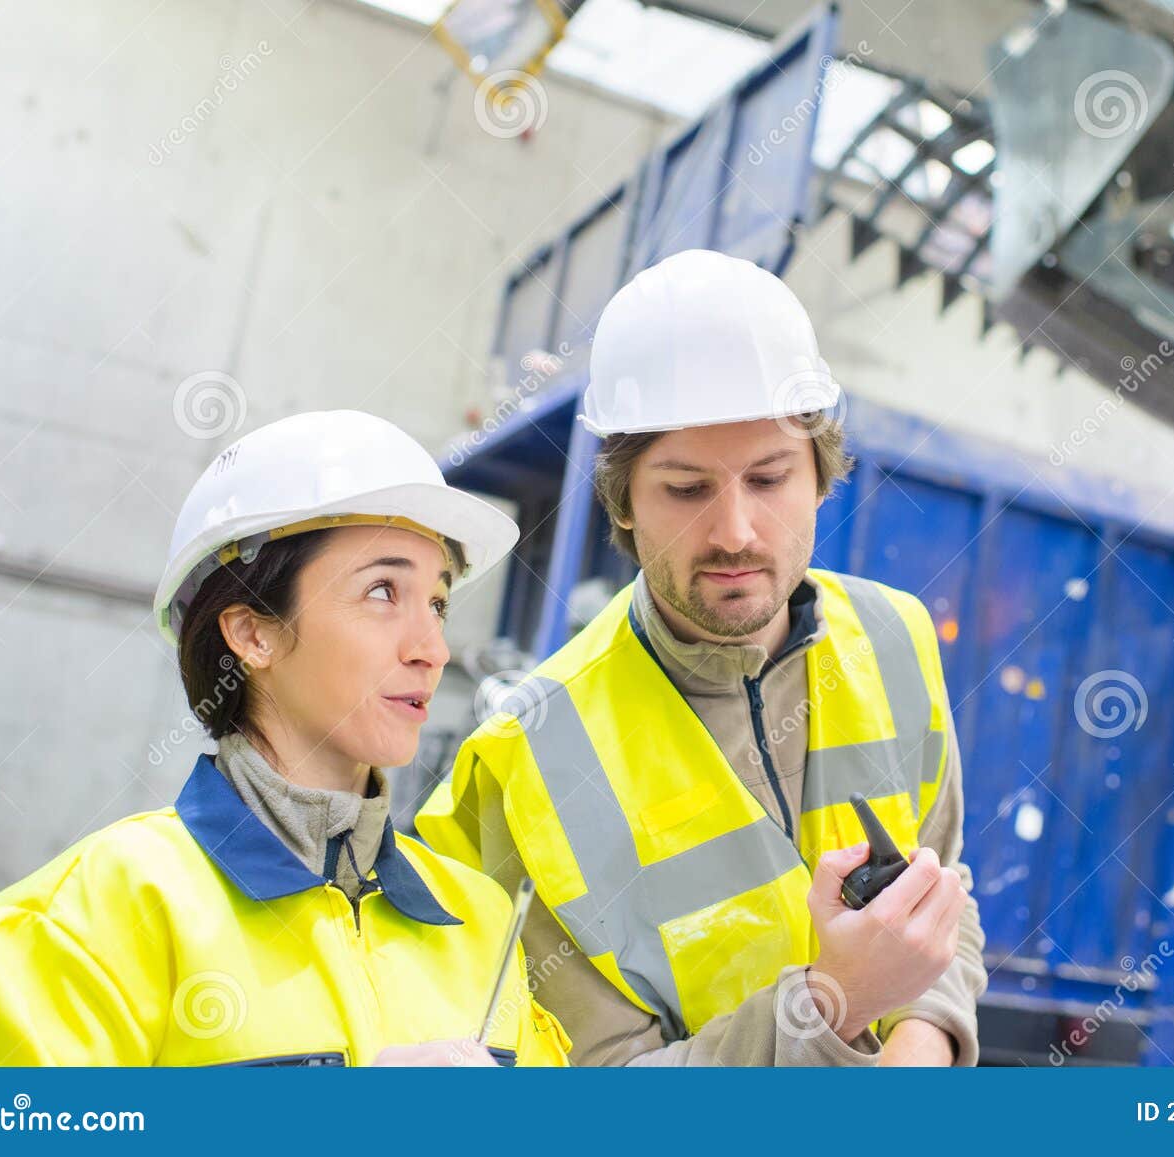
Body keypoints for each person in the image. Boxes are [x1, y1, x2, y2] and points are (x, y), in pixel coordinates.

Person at [419, 249, 988, 1066]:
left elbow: (942, 901)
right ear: (624, 501)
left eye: (769, 477)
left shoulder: (893, 639)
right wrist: (829, 1006)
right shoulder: (530, 758)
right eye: (687, 489)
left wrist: (920, 1043)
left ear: (822, 477)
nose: (736, 533)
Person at [0, 410, 570, 1067]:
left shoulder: (480, 920)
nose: (433, 648)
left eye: (438, 603)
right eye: (384, 591)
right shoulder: (93, 916)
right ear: (252, 632)